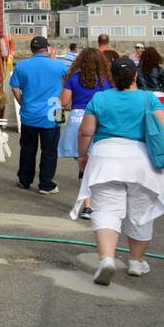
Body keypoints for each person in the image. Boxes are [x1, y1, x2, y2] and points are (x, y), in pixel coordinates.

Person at [76, 57, 164, 285]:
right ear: (135, 76)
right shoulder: (149, 98)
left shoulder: (100, 98)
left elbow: (86, 131)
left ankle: (107, 259)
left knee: (107, 209)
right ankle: (136, 263)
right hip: (140, 160)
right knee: (140, 211)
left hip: (105, 158)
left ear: (112, 78)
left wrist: (82, 157)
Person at [10, 36, 68, 195]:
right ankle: (46, 184)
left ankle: (25, 180)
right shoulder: (58, 64)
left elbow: (14, 88)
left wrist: (23, 103)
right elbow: (68, 80)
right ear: (47, 48)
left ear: (32, 49)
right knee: (50, 150)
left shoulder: (22, 65)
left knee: (28, 148)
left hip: (30, 113)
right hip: (54, 111)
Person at [59, 49, 113, 219]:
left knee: (83, 164)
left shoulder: (74, 78)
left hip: (78, 120)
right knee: (99, 163)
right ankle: (101, 203)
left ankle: (88, 205)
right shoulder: (107, 81)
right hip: (100, 120)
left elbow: (63, 102)